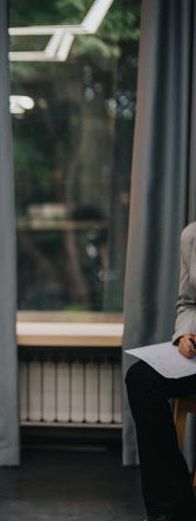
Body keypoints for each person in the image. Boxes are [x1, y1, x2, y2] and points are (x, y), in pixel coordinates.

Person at [126, 222, 196, 521]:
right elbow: (188, 303)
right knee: (141, 378)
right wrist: (184, 336)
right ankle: (172, 505)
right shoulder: (192, 235)